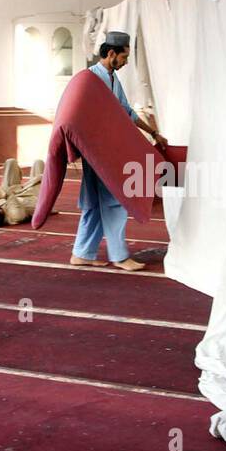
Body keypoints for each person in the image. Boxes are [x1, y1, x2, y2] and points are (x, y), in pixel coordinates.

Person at [72, 30, 168, 271]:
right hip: (98, 153)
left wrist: (153, 133)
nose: (125, 63)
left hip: (106, 150)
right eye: (124, 57)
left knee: (95, 204)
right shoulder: (89, 79)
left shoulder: (113, 79)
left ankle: (82, 253)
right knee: (114, 200)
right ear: (111, 53)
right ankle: (120, 255)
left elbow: (126, 111)